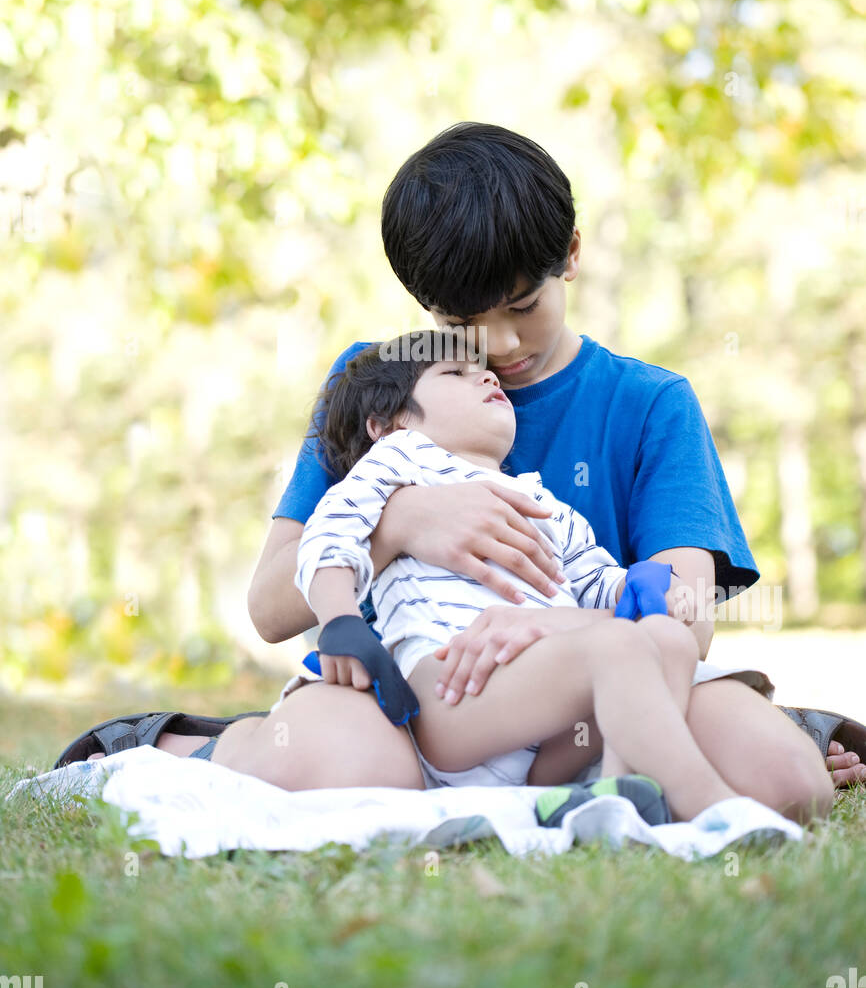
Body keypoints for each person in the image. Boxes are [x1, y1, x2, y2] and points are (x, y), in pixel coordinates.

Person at [55, 123, 862, 798]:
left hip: (589, 686)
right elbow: (271, 606)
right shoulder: (382, 384)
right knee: (363, 772)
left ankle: (735, 748)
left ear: (571, 254)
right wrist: (404, 522)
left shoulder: (649, 403)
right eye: (460, 320)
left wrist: (563, 629)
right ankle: (185, 749)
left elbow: (688, 618)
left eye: (522, 308)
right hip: (397, 705)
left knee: (785, 783)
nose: (500, 347)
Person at [283, 335, 819, 827]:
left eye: (484, 372)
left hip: (551, 731)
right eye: (457, 374)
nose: (488, 377)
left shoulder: (544, 504)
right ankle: (711, 809)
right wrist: (341, 622)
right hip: (453, 691)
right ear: (388, 423)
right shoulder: (398, 463)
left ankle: (609, 793)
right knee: (617, 646)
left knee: (671, 642)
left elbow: (601, 584)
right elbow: (328, 539)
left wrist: (645, 590)